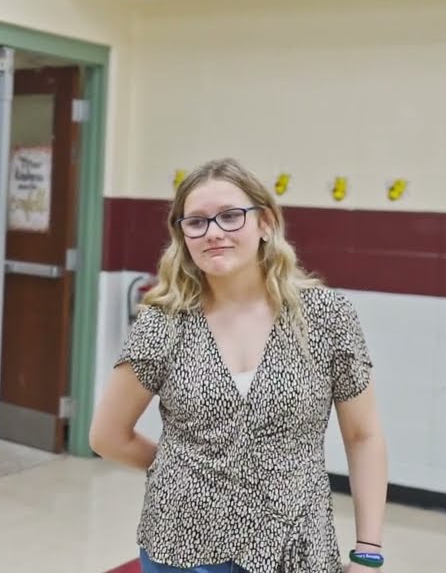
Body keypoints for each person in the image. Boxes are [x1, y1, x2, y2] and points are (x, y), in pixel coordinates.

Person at [89, 158, 389, 573]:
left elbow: (364, 435)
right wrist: (180, 469)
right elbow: (107, 436)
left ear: (265, 223)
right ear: (183, 236)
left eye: (230, 216)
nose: (213, 233)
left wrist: (368, 550)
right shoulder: (163, 323)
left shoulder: (325, 316)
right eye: (195, 222)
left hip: (296, 548)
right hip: (182, 546)